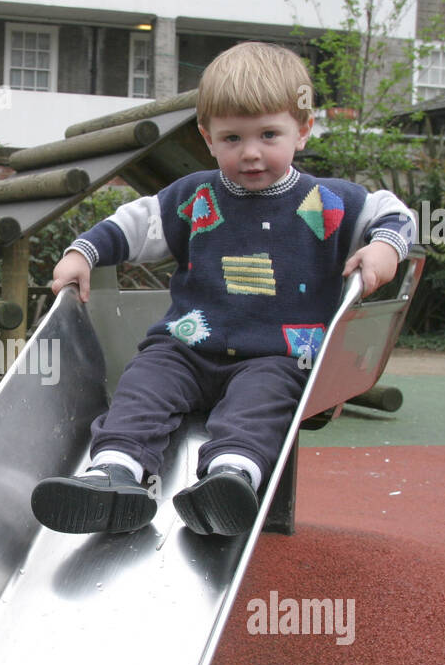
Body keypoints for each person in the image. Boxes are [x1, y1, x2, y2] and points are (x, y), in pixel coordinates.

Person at [30, 41, 416, 538]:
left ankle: (229, 480)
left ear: (302, 132)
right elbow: (134, 224)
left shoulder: (329, 201)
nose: (250, 152)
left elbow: (394, 214)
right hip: (186, 345)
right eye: (232, 138)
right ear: (207, 138)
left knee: (262, 406)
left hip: (276, 355)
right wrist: (83, 252)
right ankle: (114, 473)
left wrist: (385, 246)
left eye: (268, 135)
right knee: (142, 385)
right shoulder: (196, 196)